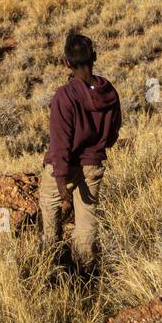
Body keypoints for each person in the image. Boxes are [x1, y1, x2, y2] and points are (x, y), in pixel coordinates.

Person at [40, 31, 122, 273]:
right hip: (93, 165)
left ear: (66, 63)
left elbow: (60, 141)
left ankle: (51, 263)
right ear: (94, 56)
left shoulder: (64, 96)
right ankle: (85, 271)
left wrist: (62, 177)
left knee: (50, 206)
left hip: (65, 166)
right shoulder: (108, 92)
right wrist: (97, 146)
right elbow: (114, 133)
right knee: (87, 222)